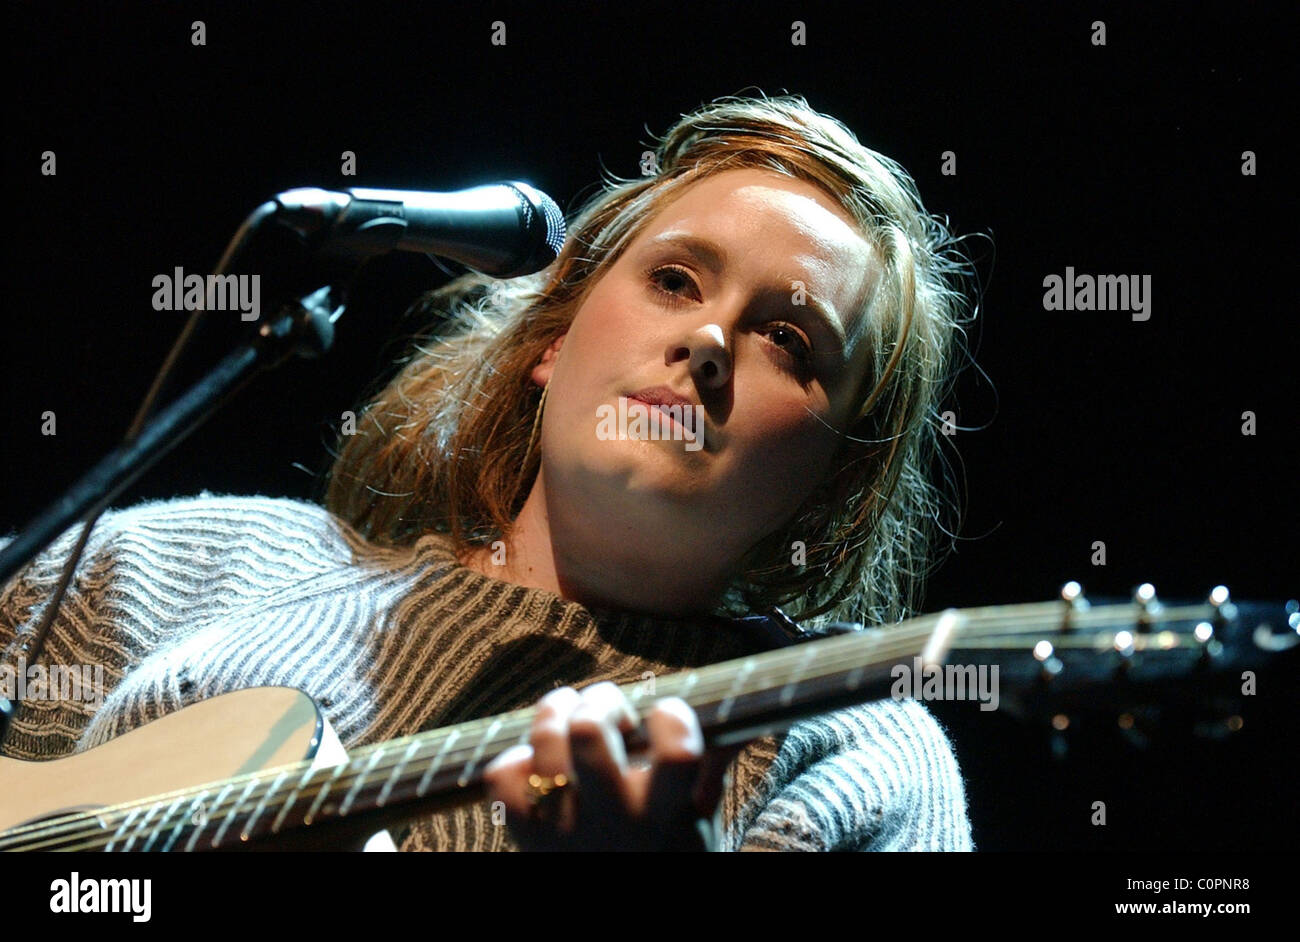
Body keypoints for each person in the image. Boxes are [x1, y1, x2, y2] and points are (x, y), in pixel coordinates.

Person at [1, 93, 978, 851]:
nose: (710, 339)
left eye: (789, 338)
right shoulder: (180, 564)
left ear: (838, 486)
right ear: (552, 340)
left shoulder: (844, 732)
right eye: (673, 279)